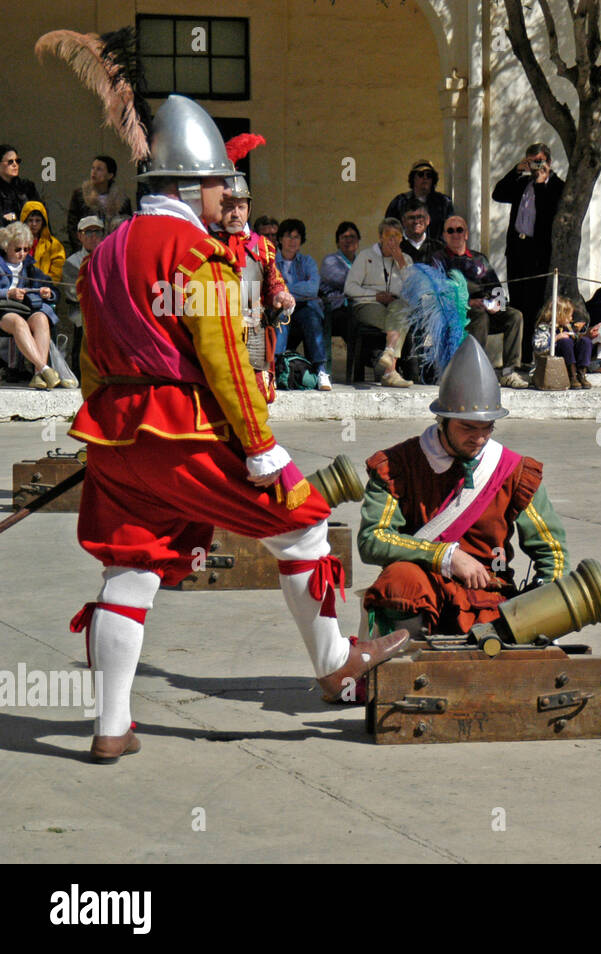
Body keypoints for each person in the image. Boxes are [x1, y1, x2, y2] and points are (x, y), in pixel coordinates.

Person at [68, 95, 410, 763]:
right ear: (192, 185)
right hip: (187, 433)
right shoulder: (199, 253)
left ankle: (112, 728)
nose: (228, 195)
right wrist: (261, 449)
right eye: (221, 182)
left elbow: (88, 358)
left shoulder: (106, 253)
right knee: (305, 523)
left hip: (116, 432)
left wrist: (105, 433)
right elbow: (224, 359)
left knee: (129, 569)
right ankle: (337, 662)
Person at [358, 336, 568, 639]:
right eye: (468, 428)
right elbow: (372, 539)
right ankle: (402, 667)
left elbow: (553, 553)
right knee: (400, 580)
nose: (480, 439)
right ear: (443, 420)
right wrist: (446, 556)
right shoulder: (396, 465)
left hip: (489, 598)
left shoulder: (514, 471)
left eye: (487, 428)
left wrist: (546, 607)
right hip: (421, 589)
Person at [211, 177, 293, 403]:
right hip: (214, 332)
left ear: (249, 209)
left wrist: (280, 295)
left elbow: (274, 282)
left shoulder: (263, 246)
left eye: (241, 206)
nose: (235, 213)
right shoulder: (204, 243)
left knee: (254, 403)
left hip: (253, 333)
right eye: (229, 206)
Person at [432, 215, 529, 389]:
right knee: (479, 315)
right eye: (450, 230)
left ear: (466, 234)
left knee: (515, 316)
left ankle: (508, 372)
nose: (456, 234)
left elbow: (496, 288)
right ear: (444, 235)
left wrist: (497, 303)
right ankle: (475, 370)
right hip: (458, 313)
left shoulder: (479, 259)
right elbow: (439, 292)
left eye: (459, 230)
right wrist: (469, 302)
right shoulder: (439, 259)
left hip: (485, 308)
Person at [492, 143, 565, 360]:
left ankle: (533, 356)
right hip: (517, 250)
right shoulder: (522, 183)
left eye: (540, 161)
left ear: (549, 163)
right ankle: (518, 357)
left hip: (538, 253)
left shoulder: (557, 186)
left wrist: (542, 184)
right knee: (517, 305)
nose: (536, 166)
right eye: (532, 161)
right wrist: (516, 170)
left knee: (535, 305)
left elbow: (547, 214)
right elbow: (498, 193)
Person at [345, 217, 414, 388]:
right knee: (400, 320)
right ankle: (390, 371)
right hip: (368, 304)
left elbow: (413, 288)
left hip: (396, 304)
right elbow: (350, 287)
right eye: (388, 235)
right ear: (380, 237)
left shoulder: (406, 259)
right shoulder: (365, 256)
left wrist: (401, 262)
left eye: (396, 236)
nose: (392, 240)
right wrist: (375, 296)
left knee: (401, 312)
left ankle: (389, 355)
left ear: (401, 238)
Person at [0, 221, 63, 389]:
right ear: (6, 247)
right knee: (18, 323)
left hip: (25, 309)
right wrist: (7, 293)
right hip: (4, 311)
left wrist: (47, 293)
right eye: (17, 249)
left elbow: (54, 290)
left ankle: (37, 375)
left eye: (26, 249)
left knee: (42, 318)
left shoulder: (31, 268)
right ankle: (44, 368)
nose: (22, 254)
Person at [274, 218, 330, 390]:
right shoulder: (272, 261)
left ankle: (321, 371)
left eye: (297, 237)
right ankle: (275, 369)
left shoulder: (308, 262)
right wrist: (291, 292)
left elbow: (312, 289)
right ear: (280, 239)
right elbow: (269, 288)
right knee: (281, 319)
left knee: (312, 319)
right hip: (281, 309)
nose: (293, 241)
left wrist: (284, 289)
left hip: (305, 309)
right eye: (289, 236)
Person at [58, 215, 106, 374]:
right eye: (88, 232)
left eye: (97, 232)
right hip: (81, 309)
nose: (93, 237)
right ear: (79, 236)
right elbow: (73, 293)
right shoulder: (72, 262)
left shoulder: (110, 257)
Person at [66, 155, 132, 254]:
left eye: (99, 169)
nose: (94, 172)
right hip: (86, 252)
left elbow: (127, 228)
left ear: (110, 175)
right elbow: (72, 225)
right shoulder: (80, 195)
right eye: (93, 168)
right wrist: (81, 250)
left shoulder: (122, 200)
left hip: (112, 251)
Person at [532, 296, 593, 389]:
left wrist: (580, 334)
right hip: (557, 359)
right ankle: (571, 374)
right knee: (565, 342)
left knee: (585, 342)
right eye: (569, 315)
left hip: (570, 356)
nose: (571, 318)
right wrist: (555, 339)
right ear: (560, 314)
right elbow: (538, 347)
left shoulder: (568, 326)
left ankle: (581, 373)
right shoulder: (545, 327)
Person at [385, 159, 454, 239]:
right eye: (421, 174)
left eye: (429, 175)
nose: (425, 178)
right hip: (406, 249)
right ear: (413, 178)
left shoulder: (443, 202)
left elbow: (450, 230)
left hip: (436, 249)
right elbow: (389, 229)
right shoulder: (400, 202)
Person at [319, 220, 360, 354]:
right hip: (336, 310)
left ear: (358, 241)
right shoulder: (330, 261)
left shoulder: (363, 261)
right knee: (352, 324)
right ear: (338, 242)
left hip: (358, 307)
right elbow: (346, 281)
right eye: (344, 237)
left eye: (352, 237)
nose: (348, 241)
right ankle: (367, 358)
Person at [21, 200, 65, 285]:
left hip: (45, 289)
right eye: (30, 220)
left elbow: (57, 272)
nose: (34, 224)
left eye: (37, 220)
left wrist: (44, 286)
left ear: (43, 222)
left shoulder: (53, 245)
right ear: (24, 221)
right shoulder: (15, 242)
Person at [0, 145, 40, 224]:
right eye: (10, 162)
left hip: (27, 233)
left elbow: (39, 214)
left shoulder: (27, 187)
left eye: (17, 161)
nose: (15, 165)